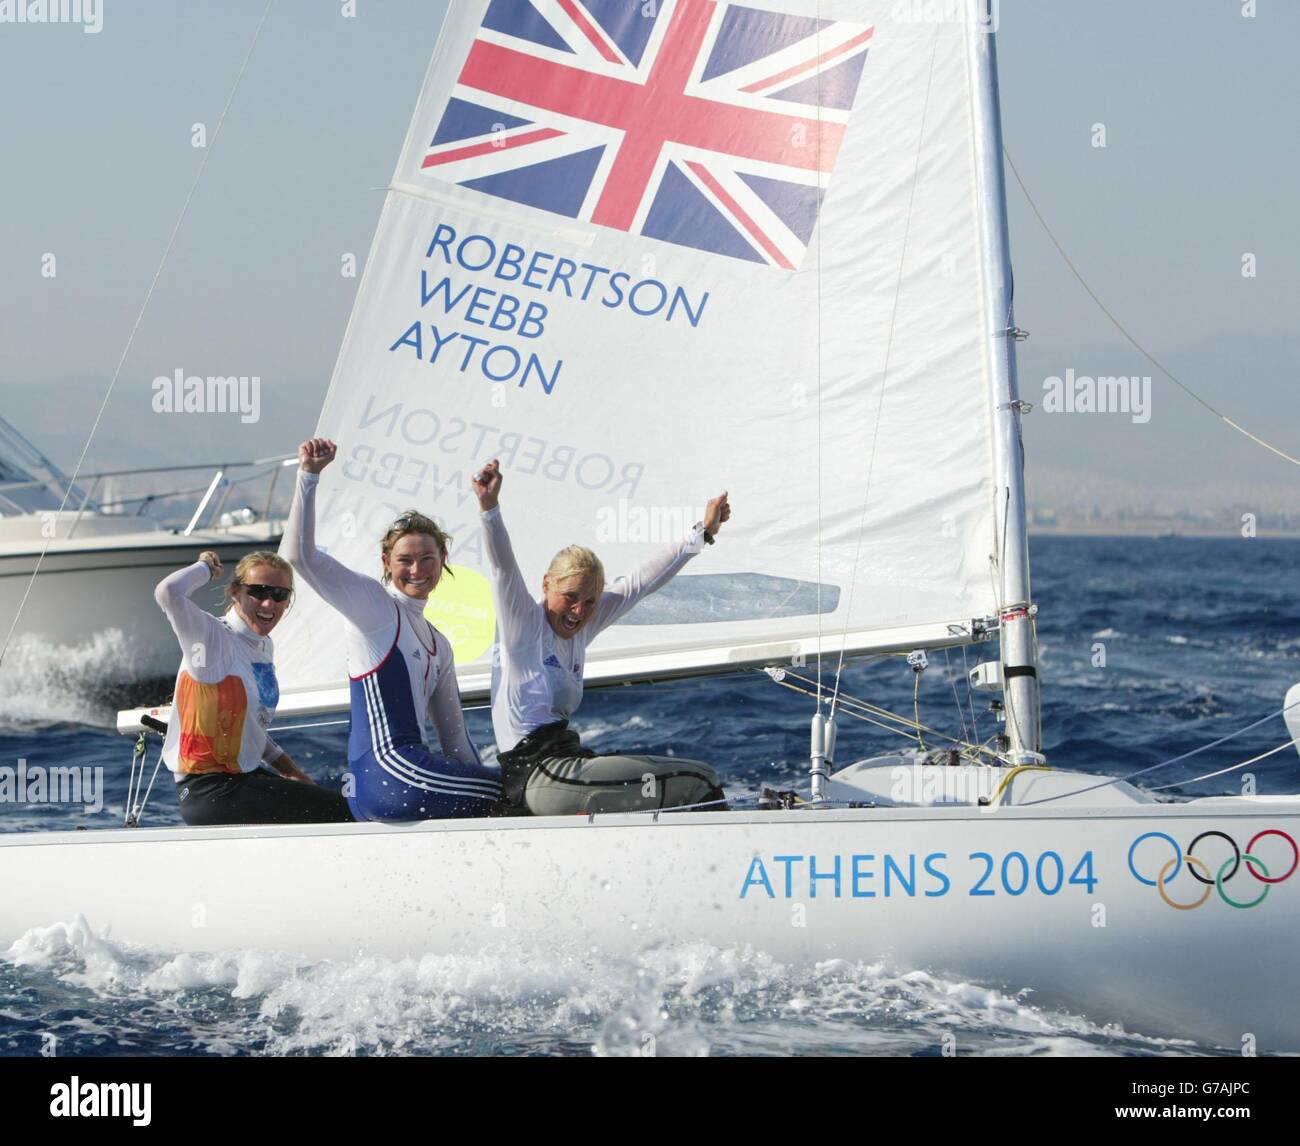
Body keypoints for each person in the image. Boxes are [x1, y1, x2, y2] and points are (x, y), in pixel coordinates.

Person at [473, 459, 728, 816]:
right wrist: (489, 508)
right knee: (700, 782)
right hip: (539, 778)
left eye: (590, 601)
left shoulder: (584, 623)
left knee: (681, 783)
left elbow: (640, 583)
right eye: (570, 597)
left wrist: (703, 533)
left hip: (566, 766)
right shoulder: (523, 623)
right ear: (546, 585)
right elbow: (502, 568)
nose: (578, 611)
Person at [282, 438, 501, 822]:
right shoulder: (375, 607)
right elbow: (299, 556)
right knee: (518, 790)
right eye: (405, 560)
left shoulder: (440, 645)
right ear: (386, 561)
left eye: (427, 558)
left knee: (506, 788)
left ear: (443, 559)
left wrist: (484, 785)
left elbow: (455, 742)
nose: (417, 570)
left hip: (401, 781)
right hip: (390, 776)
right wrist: (309, 475)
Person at [154, 549, 353, 826]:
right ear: (236, 592)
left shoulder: (262, 645)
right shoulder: (211, 637)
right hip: (210, 792)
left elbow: (251, 727)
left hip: (240, 779)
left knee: (339, 802)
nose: (269, 603)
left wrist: (291, 771)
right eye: (258, 592)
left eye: (280, 595)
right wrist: (206, 567)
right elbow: (168, 592)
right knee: (348, 814)